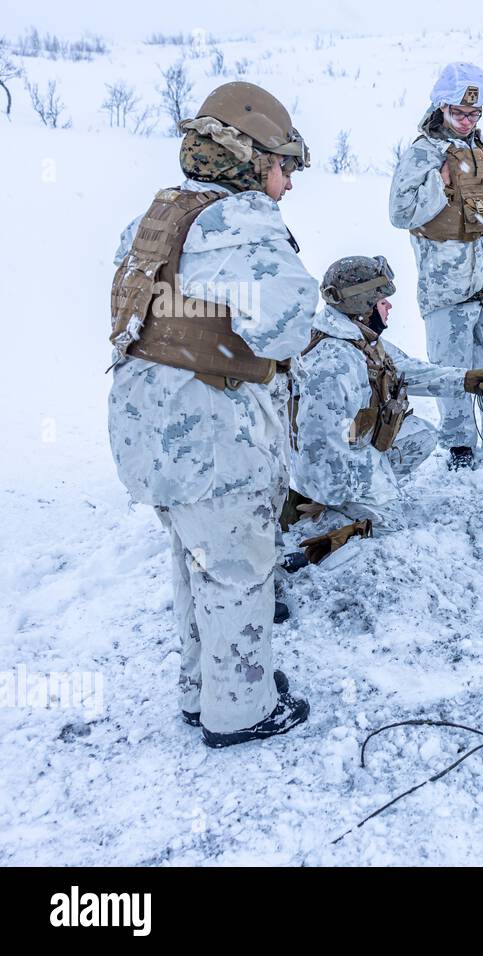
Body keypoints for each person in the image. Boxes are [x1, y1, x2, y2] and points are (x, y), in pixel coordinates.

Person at [108, 81, 315, 748]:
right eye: (285, 164)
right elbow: (283, 331)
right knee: (236, 568)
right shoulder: (244, 222)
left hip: (151, 426)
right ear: (252, 157)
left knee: (194, 558)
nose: (288, 180)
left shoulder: (163, 212)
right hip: (214, 432)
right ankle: (241, 709)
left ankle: (204, 691)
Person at [286, 255, 483, 561]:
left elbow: (408, 370)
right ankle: (333, 528)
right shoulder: (334, 362)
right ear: (362, 305)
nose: (388, 307)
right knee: (391, 523)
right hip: (332, 464)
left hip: (355, 448)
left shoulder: (360, 338)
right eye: (382, 300)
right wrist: (327, 494)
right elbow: (317, 440)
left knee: (422, 435)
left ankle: (363, 493)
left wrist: (464, 380)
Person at [388, 62, 483, 472]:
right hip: (446, 288)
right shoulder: (421, 153)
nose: (467, 120)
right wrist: (442, 183)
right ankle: (459, 446)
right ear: (440, 107)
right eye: (459, 113)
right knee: (451, 370)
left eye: (474, 114)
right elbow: (400, 212)